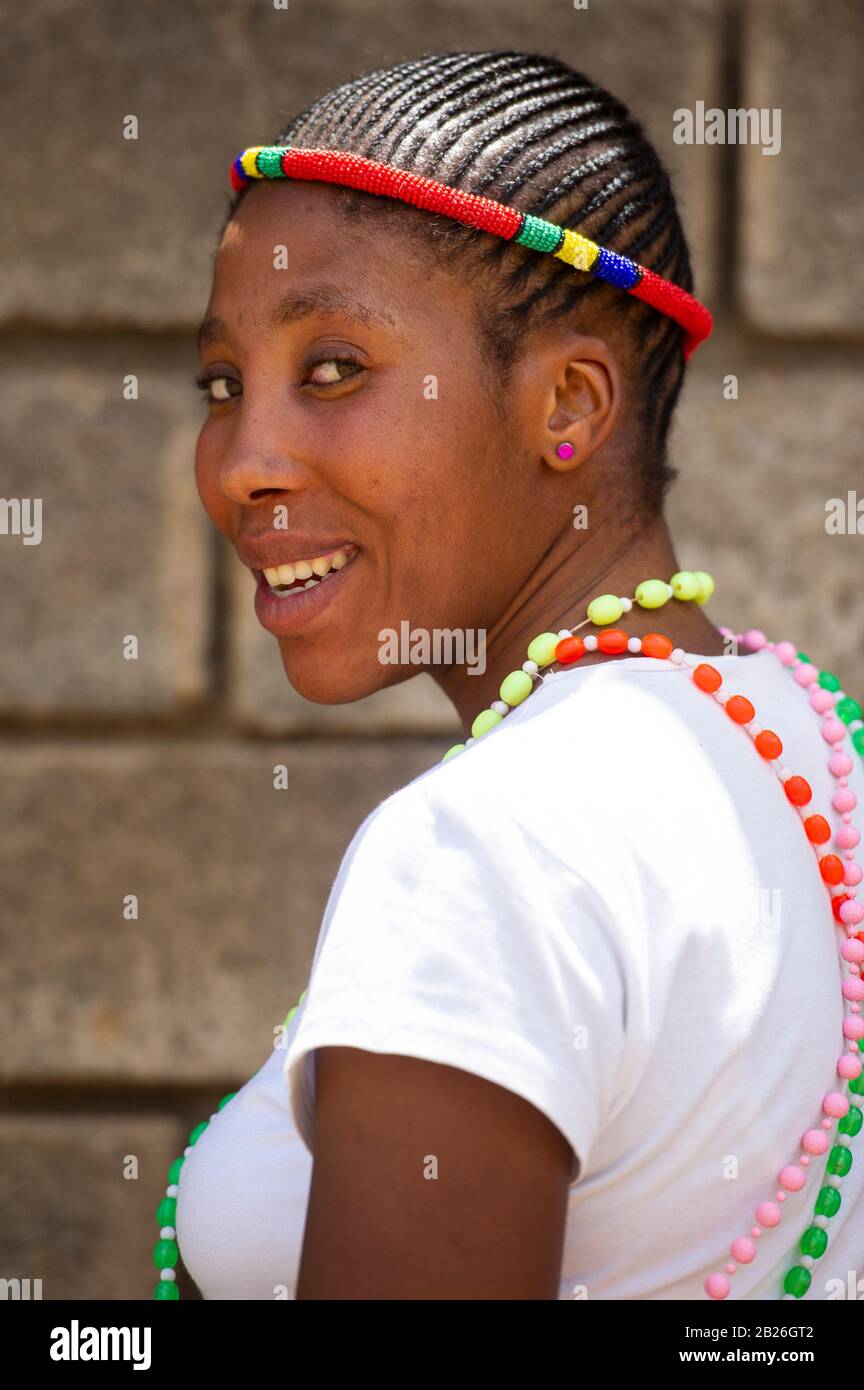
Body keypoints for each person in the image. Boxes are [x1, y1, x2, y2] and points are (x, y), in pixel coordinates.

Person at [171, 49, 864, 1301]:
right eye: (224, 385)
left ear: (570, 406)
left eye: (333, 368)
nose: (239, 464)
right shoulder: (821, 755)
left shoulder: (483, 847)